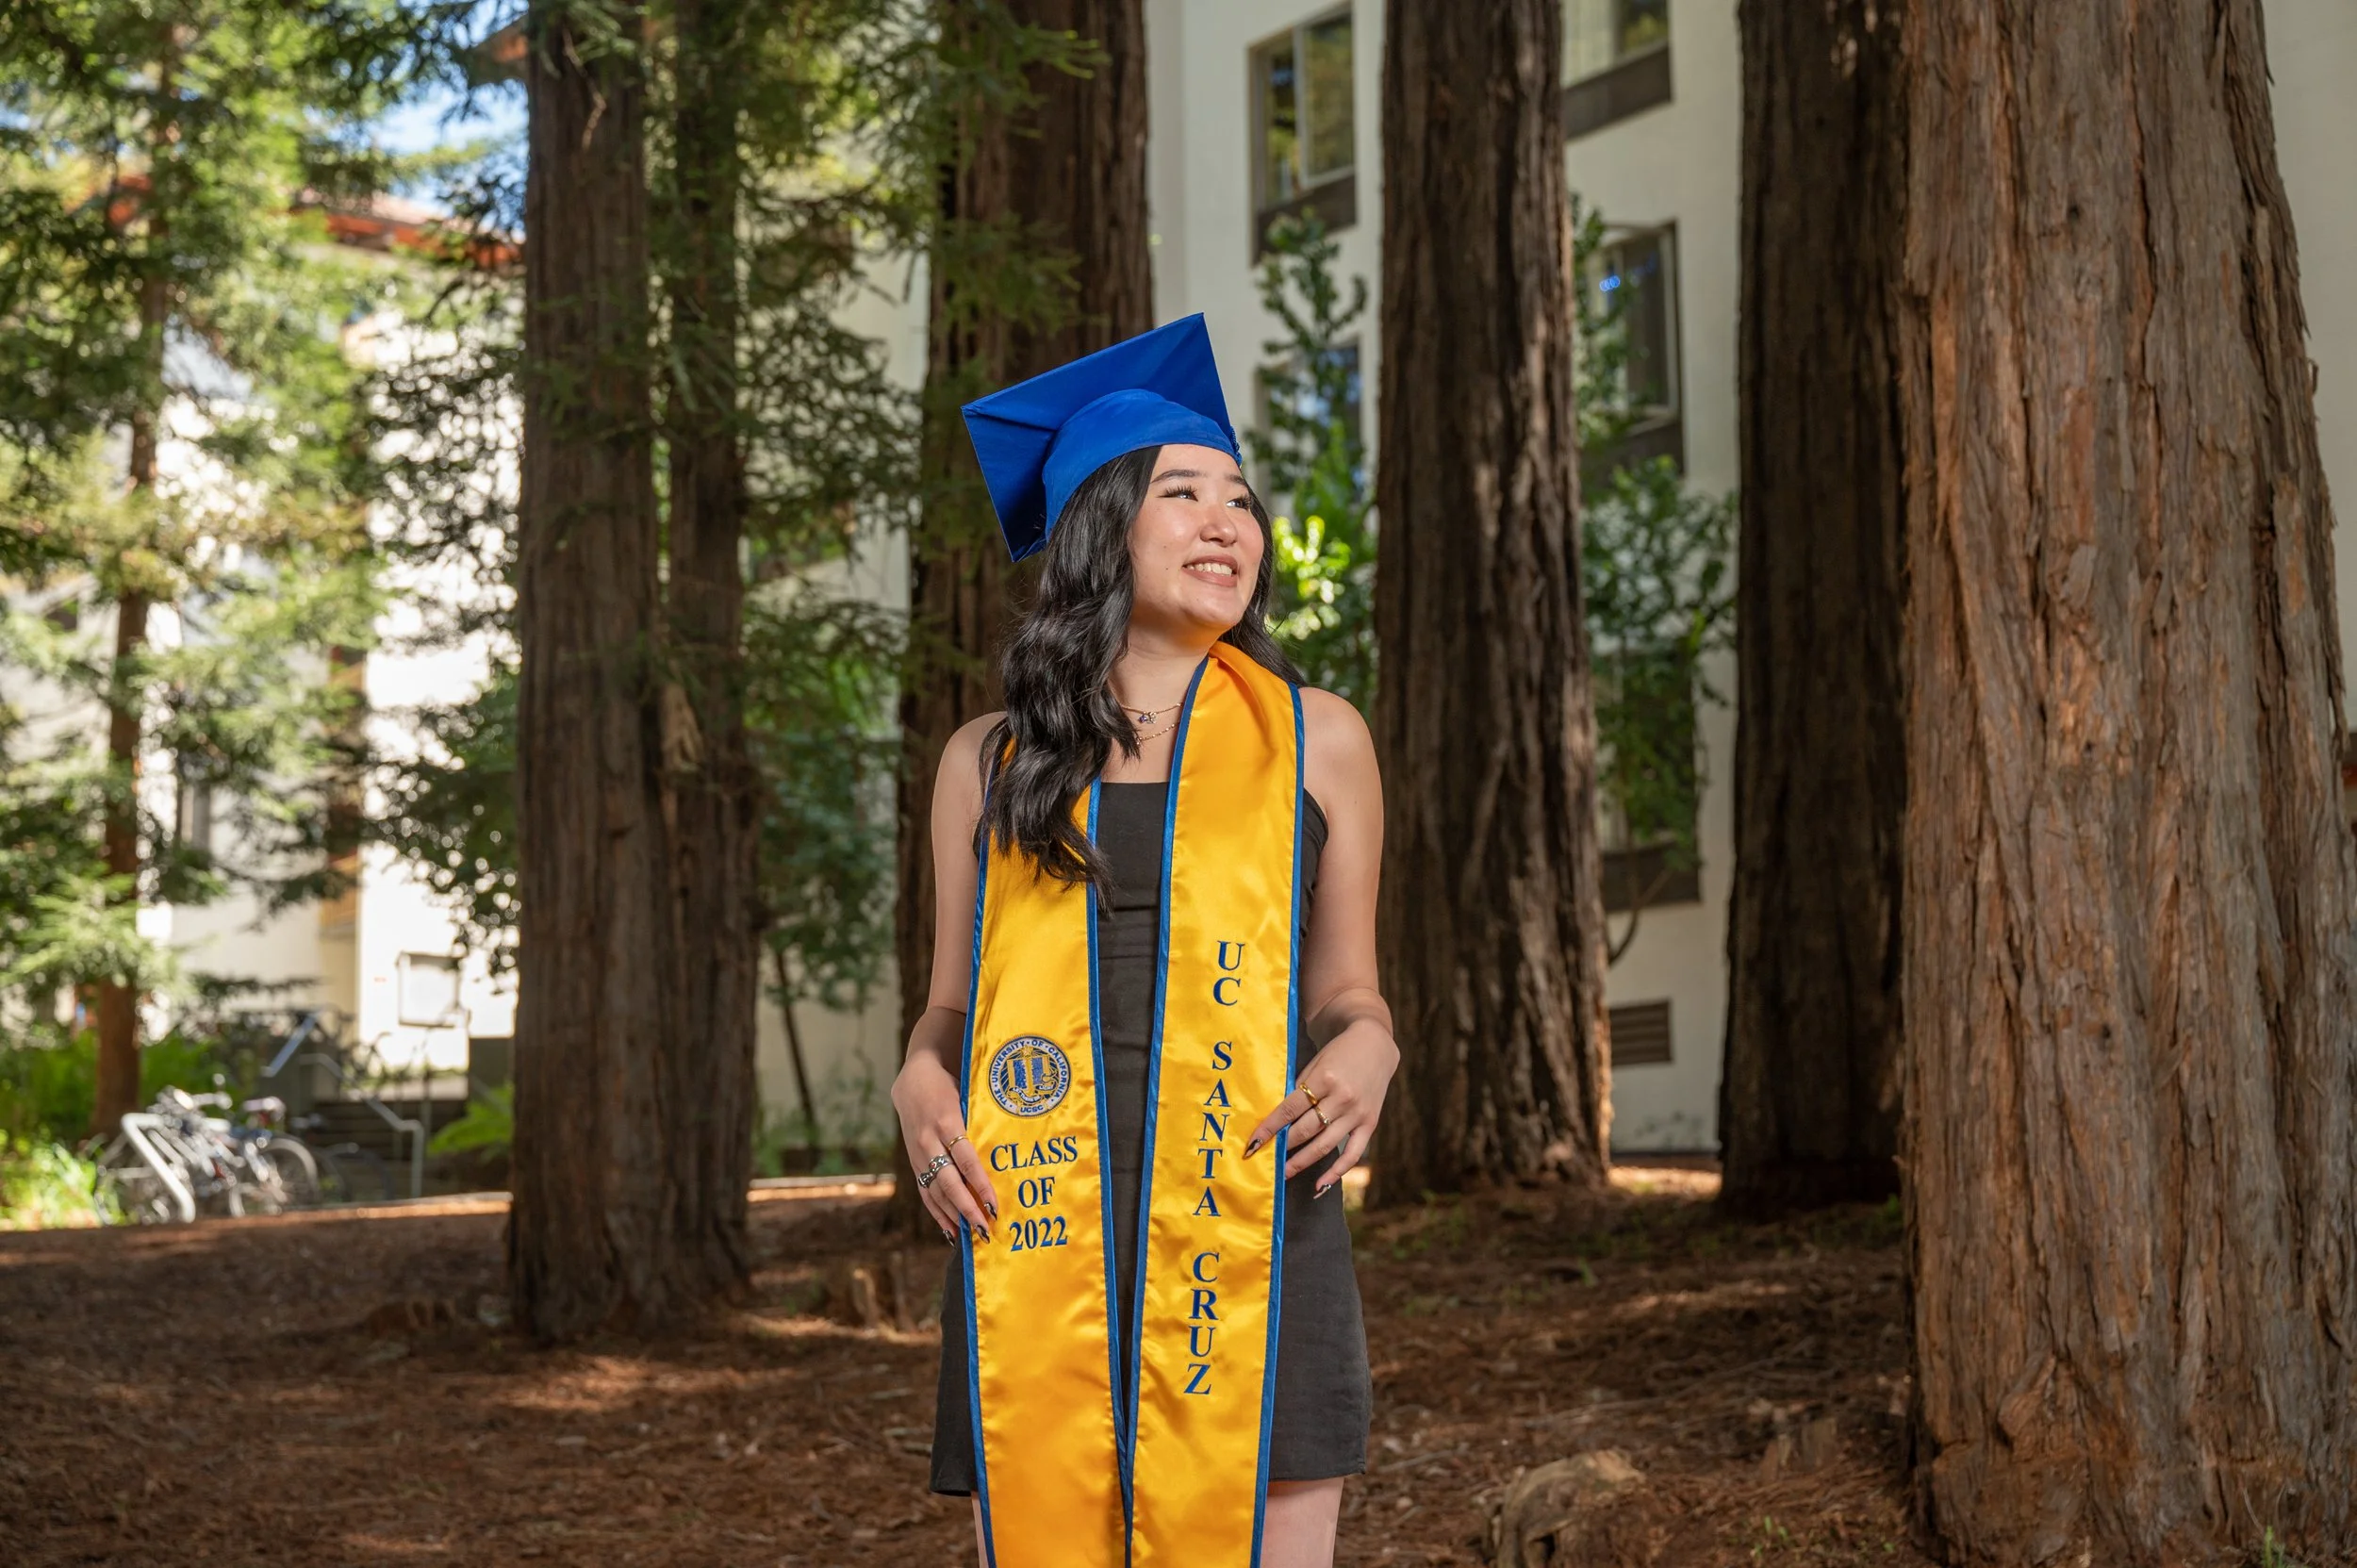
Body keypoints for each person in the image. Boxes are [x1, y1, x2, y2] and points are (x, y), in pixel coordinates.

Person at [891, 314, 1399, 1568]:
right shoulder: (989, 760)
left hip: (1252, 1214)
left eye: (1240, 495)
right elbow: (950, 1006)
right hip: (1040, 1214)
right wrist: (916, 1075)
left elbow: (1351, 990)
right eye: (1182, 491)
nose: (1229, 517)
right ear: (1096, 527)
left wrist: (1374, 1049)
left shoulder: (1317, 739)